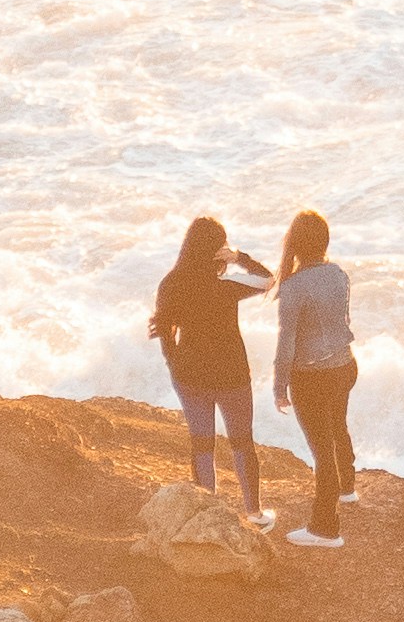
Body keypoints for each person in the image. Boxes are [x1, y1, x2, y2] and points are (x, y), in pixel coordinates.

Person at [146, 215, 273, 516]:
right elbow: (269, 281)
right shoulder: (227, 285)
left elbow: (164, 330)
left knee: (202, 445)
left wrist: (174, 363)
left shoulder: (170, 284)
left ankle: (207, 513)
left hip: (190, 375)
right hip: (232, 375)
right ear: (218, 250)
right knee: (242, 443)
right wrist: (240, 257)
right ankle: (254, 514)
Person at [270, 210, 356, 547]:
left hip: (312, 375)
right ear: (325, 241)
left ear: (295, 244)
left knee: (322, 449)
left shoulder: (293, 286)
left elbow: (287, 341)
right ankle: (348, 489)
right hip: (345, 365)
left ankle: (325, 528)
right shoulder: (339, 274)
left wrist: (279, 387)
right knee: (338, 427)